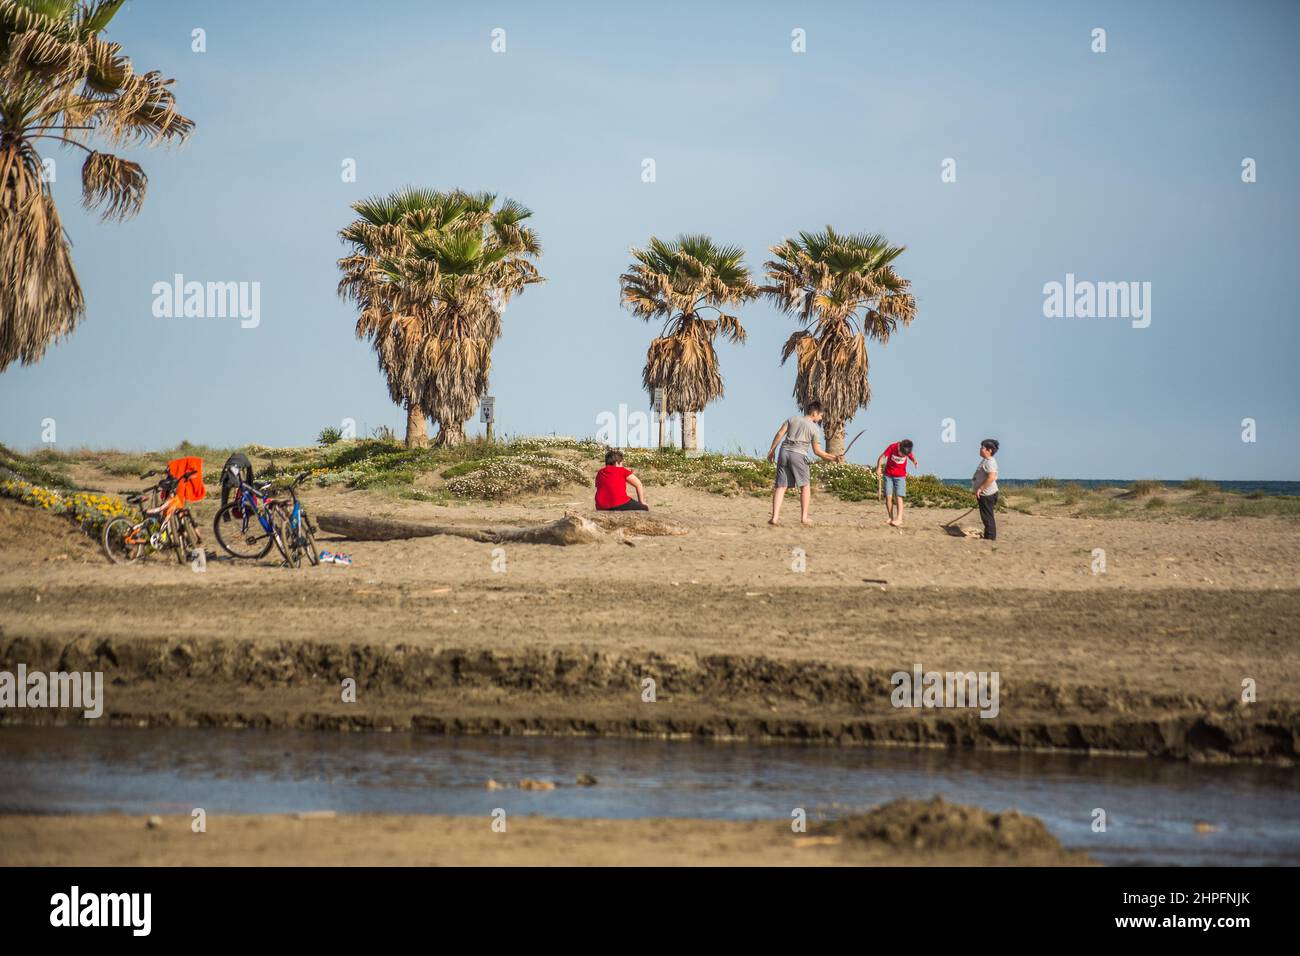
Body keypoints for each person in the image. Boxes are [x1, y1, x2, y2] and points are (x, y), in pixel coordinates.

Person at [766, 401, 843, 526]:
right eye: (821, 415)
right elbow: (818, 452)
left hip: (784, 452)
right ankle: (804, 517)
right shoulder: (814, 428)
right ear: (815, 413)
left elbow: (780, 434)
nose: (821, 418)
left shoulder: (792, 419)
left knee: (781, 486)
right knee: (805, 486)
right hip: (799, 455)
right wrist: (834, 458)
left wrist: (772, 450)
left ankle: (774, 517)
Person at [875, 438, 917, 527]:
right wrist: (878, 468)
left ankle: (899, 518)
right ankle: (891, 517)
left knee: (899, 496)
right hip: (888, 475)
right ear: (899, 447)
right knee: (888, 496)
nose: (902, 456)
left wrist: (914, 461)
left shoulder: (907, 450)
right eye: (902, 454)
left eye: (905, 455)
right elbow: (882, 457)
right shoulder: (892, 447)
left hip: (900, 476)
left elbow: (911, 457)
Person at [972, 438, 1000, 541]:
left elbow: (991, 477)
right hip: (986, 494)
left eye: (982, 448)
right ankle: (989, 536)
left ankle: (990, 539)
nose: (980, 449)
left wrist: (980, 489)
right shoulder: (986, 460)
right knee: (987, 517)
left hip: (987, 494)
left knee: (987, 518)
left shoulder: (989, 462)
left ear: (989, 450)